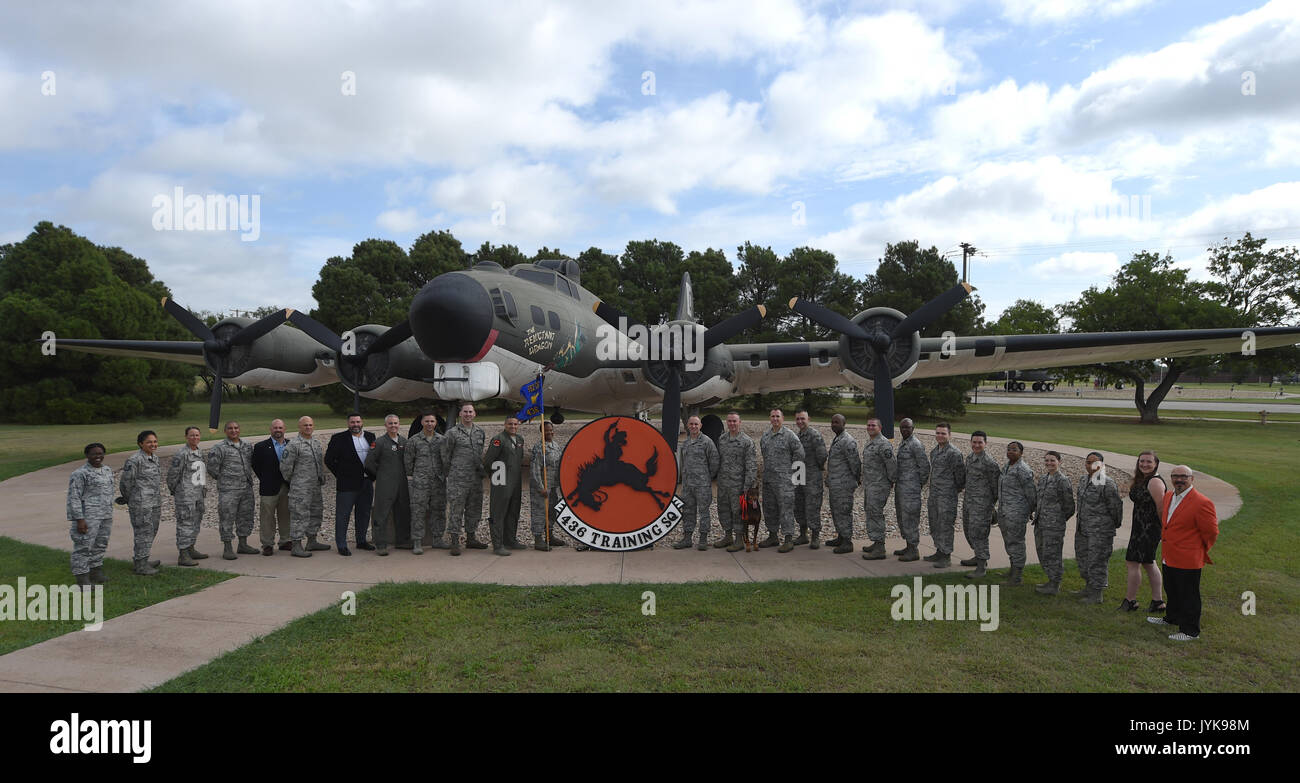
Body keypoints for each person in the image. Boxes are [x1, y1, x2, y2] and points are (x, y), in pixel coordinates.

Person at [1149, 466, 1218, 640]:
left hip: (1188, 558)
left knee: (1189, 595)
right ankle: (1172, 618)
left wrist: (1196, 549)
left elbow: (1211, 532)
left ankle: (1190, 630)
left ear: (1192, 479)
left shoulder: (1202, 503)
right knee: (1172, 589)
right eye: (1175, 476)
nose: (1179, 480)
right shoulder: (1169, 496)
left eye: (1183, 476)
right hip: (1169, 554)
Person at [1121, 450, 1167, 612]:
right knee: (1148, 562)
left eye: (1149, 462)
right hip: (1140, 527)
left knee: (1133, 562)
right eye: (1142, 461)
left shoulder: (1154, 482)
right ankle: (1157, 601)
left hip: (1149, 529)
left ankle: (1130, 600)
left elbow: (1161, 508)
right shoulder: (1143, 479)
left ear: (1156, 464)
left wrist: (1164, 529)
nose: (1145, 464)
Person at [1075, 451, 1123, 603]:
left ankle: (1097, 594)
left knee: (1097, 561)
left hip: (1100, 531)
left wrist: (1111, 526)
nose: (1091, 466)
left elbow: (1116, 508)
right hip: (1083, 529)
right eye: (1088, 462)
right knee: (1083, 559)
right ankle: (1089, 588)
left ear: (1102, 465)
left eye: (1095, 463)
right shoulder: (1083, 480)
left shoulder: (1107, 483)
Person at [206, 420, 258, 561]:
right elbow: (211, 468)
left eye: (236, 428)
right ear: (225, 431)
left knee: (245, 516)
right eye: (230, 428)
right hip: (228, 490)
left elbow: (252, 463)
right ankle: (227, 547)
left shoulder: (247, 446)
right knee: (227, 518)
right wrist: (225, 480)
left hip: (246, 488)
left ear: (239, 429)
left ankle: (243, 544)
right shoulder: (219, 448)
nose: (233, 430)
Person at [325, 414, 376, 556]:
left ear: (362, 422)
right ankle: (341, 544)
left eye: (358, 421)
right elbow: (329, 460)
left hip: (366, 482)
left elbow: (376, 458)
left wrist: (373, 476)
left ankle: (361, 541)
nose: (355, 424)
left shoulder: (371, 437)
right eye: (352, 422)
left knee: (364, 513)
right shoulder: (338, 438)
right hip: (347, 484)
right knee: (343, 515)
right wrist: (341, 475)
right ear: (348, 423)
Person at [67, 443, 114, 589]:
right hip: (88, 517)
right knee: (84, 547)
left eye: (100, 453)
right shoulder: (80, 474)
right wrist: (79, 520)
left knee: (100, 544)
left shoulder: (107, 470)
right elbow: (74, 498)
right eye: (94, 454)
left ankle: (95, 571)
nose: (98, 456)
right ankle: (82, 578)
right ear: (87, 455)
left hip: (105, 515)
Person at [280, 416, 328, 557]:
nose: (308, 427)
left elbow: (319, 464)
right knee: (299, 516)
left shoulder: (316, 443)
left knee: (316, 512)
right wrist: (297, 482)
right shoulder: (294, 445)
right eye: (305, 425)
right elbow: (285, 468)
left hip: (315, 487)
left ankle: (312, 541)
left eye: (310, 425)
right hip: (300, 488)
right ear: (299, 427)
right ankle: (296, 545)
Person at [444, 402, 488, 555]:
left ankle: (471, 538)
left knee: (474, 508)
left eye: (471, 412)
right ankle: (455, 541)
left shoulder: (480, 432)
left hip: (475, 478)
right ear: (460, 414)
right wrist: (453, 471)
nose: (468, 414)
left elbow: (480, 453)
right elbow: (445, 455)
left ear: (474, 414)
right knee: (456, 509)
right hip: (458, 478)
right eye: (465, 412)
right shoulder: (452, 433)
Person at [365, 414, 413, 555]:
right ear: (385, 425)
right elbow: (369, 463)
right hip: (385, 484)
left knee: (403, 512)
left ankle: (402, 541)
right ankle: (381, 544)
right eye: (390, 423)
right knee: (381, 513)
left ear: (399, 424)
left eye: (395, 423)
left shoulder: (404, 441)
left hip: (402, 484)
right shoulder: (379, 442)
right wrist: (379, 476)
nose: (393, 426)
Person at [758, 409, 804, 552]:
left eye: (778, 416)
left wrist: (796, 479)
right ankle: (773, 536)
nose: (775, 419)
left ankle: (788, 539)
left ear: (783, 418)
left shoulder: (790, 436)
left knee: (786, 510)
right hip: (768, 481)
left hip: (785, 482)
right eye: (773, 416)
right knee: (770, 509)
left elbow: (800, 456)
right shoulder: (765, 436)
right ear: (770, 418)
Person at [117, 430, 163, 575]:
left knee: (151, 531)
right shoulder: (134, 460)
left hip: (154, 501)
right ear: (140, 444)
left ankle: (142, 559)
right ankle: (141, 565)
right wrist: (132, 499)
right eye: (149, 442)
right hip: (141, 504)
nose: (153, 444)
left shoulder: (154, 458)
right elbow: (125, 483)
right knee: (143, 532)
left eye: (155, 441)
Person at [1032, 451, 1075, 595]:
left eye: (1052, 460)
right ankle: (1050, 579)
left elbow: (1069, 506)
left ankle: (1055, 584)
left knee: (1053, 554)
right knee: (1042, 551)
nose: (1049, 463)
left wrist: (1057, 519)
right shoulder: (1044, 478)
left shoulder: (1062, 480)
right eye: (1047, 460)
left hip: (1054, 526)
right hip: (1040, 523)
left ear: (1059, 462)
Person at [675, 415, 720, 550]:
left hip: (702, 485)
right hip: (688, 485)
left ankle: (703, 539)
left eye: (696, 424)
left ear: (700, 426)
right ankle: (687, 538)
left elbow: (715, 461)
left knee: (704, 511)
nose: (693, 426)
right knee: (688, 511)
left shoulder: (707, 442)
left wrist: (707, 477)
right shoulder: (686, 443)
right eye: (691, 424)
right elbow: (683, 463)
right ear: (687, 426)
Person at [482, 415, 525, 556]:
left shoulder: (519, 440)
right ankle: (498, 544)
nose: (513, 426)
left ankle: (510, 540)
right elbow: (488, 461)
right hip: (501, 481)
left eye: (515, 424)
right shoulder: (498, 439)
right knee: (498, 512)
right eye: (510, 424)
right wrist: (495, 476)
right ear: (505, 425)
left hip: (515, 481)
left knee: (513, 511)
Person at [925, 422, 965, 568]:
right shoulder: (934, 451)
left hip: (947, 496)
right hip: (934, 495)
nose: (940, 436)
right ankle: (939, 551)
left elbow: (960, 477)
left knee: (945, 525)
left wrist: (954, 490)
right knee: (935, 523)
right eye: (938, 433)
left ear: (949, 435)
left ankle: (946, 555)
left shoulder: (954, 453)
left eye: (943, 433)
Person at [406, 412, 448, 549]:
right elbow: (408, 462)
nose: (429, 424)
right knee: (418, 511)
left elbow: (446, 460)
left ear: (436, 423)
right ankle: (417, 541)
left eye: (432, 421)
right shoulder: (414, 440)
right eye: (427, 421)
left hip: (438, 481)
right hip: (420, 482)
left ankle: (438, 539)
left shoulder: (442, 440)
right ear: (422, 423)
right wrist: (414, 477)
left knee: (439, 510)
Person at [168, 426, 209, 566]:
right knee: (185, 524)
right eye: (192, 435)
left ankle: (191, 548)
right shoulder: (181, 454)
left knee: (195, 522)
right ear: (186, 437)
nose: (195, 438)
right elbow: (173, 476)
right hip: (185, 495)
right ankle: (183, 554)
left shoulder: (199, 452)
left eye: (197, 435)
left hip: (198, 494)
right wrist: (178, 492)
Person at [251, 418, 293, 555]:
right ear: (271, 429)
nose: (278, 430)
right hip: (268, 487)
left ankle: (285, 541)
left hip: (287, 487)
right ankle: (267, 544)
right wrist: (265, 478)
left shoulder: (292, 445)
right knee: (267, 517)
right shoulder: (261, 447)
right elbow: (256, 465)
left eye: (280, 428)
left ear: (284, 429)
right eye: (275, 428)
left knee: (285, 515)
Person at [716, 412, 756, 552]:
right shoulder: (722, 439)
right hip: (723, 483)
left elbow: (751, 466)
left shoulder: (746, 441)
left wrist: (747, 487)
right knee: (723, 509)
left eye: (734, 421)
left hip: (738, 485)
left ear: (740, 422)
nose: (732, 424)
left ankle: (739, 540)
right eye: (729, 421)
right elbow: (718, 461)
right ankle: (728, 536)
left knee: (738, 512)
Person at [962, 430, 999, 579]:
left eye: (980, 442)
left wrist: (990, 507)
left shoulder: (989, 463)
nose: (976, 445)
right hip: (969, 502)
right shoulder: (970, 458)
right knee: (969, 531)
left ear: (985, 444)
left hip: (982, 506)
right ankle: (977, 556)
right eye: (974, 442)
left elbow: (996, 487)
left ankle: (982, 566)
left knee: (979, 534)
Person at [860, 417, 897, 560]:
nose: (870, 427)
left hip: (879, 486)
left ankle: (880, 548)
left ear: (880, 428)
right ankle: (876, 542)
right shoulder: (871, 442)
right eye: (868, 425)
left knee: (876, 514)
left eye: (873, 425)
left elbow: (892, 466)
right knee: (871, 512)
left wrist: (890, 481)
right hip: (871, 485)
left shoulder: (884, 444)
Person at [892, 417, 928, 562]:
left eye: (907, 427)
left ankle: (913, 549)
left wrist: (917, 484)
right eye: (902, 427)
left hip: (911, 490)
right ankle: (908, 545)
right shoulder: (904, 442)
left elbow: (925, 467)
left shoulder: (916, 444)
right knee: (902, 518)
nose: (905, 430)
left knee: (910, 519)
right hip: (901, 487)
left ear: (913, 428)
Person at [824, 414, 861, 554]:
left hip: (844, 485)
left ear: (844, 423)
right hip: (836, 484)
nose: (834, 424)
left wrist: (855, 480)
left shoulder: (848, 441)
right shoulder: (838, 439)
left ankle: (847, 542)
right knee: (836, 511)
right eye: (832, 422)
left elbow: (855, 463)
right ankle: (841, 536)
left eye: (837, 422)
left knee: (844, 512)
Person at [793, 411, 827, 549]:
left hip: (812, 475)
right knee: (799, 505)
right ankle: (803, 534)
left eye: (803, 419)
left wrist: (816, 468)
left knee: (812, 506)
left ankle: (815, 536)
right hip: (799, 474)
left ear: (809, 419)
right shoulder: (797, 435)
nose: (800, 421)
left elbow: (822, 454)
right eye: (798, 419)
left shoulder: (814, 435)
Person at [529, 420, 566, 551]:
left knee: (552, 511)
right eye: (547, 430)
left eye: (551, 429)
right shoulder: (539, 448)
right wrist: (540, 487)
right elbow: (535, 469)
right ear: (541, 432)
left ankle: (550, 536)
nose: (550, 432)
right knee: (539, 512)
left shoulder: (555, 445)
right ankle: (538, 540)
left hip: (553, 486)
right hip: (542, 488)